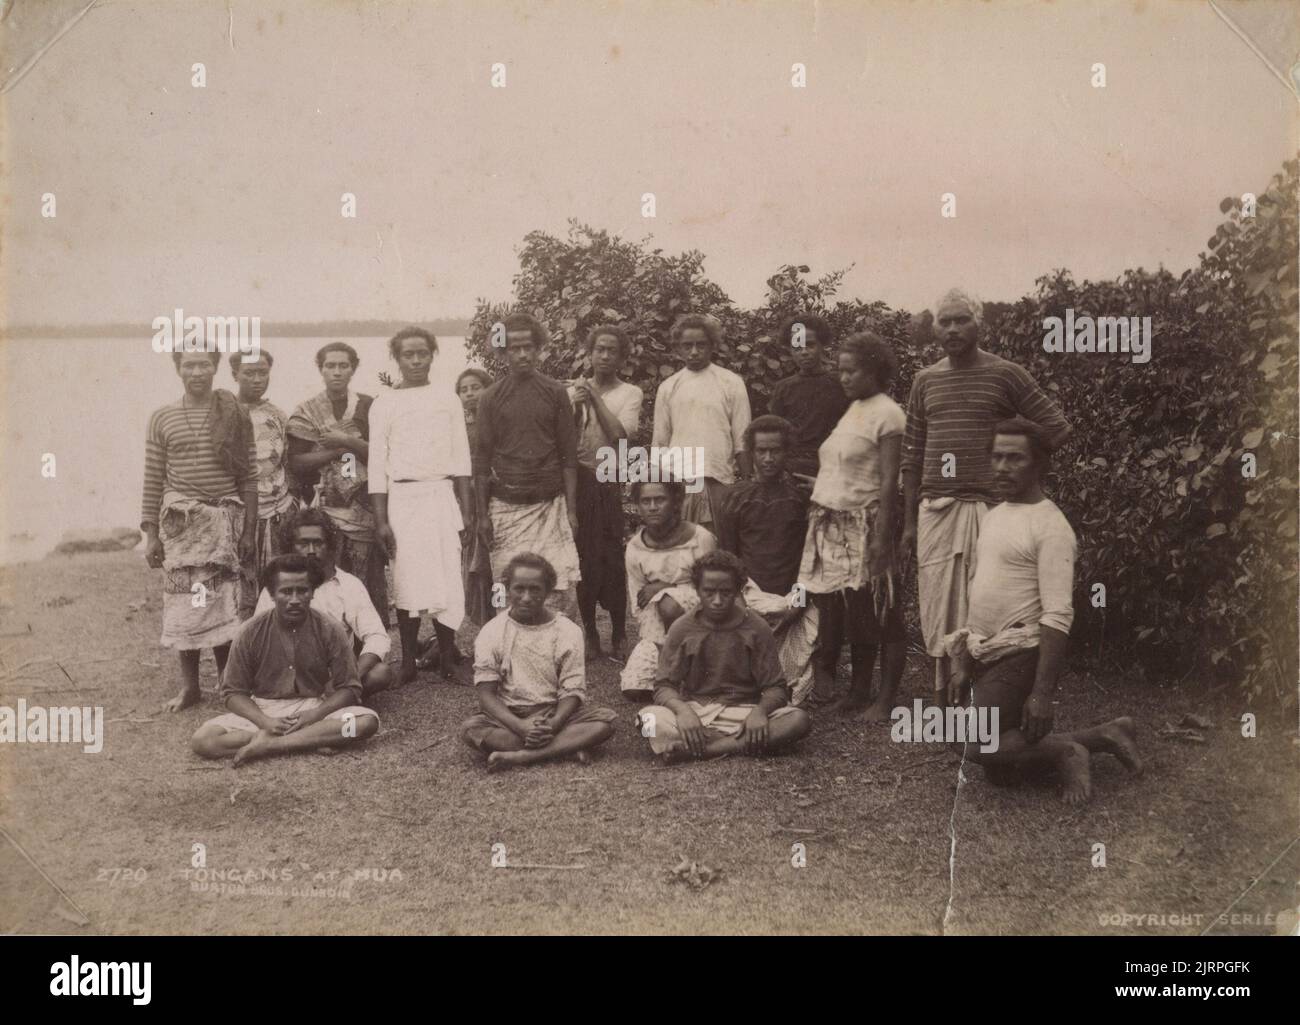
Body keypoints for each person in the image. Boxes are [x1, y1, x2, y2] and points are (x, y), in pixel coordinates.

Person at [946, 419, 1141, 804]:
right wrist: (966, 657)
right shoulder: (995, 514)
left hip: (1023, 652)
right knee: (1001, 773)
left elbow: (1057, 615)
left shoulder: (1051, 527)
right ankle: (1104, 734)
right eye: (997, 457)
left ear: (1040, 464)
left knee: (963, 738)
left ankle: (1066, 752)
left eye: (1015, 458)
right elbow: (980, 589)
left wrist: (1042, 692)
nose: (1003, 467)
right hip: (990, 651)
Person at [901, 289, 1071, 705]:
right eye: (946, 321)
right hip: (936, 509)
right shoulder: (925, 380)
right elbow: (911, 454)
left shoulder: (1005, 374)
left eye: (963, 320)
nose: (953, 329)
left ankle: (987, 696)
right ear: (934, 328)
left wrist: (1017, 469)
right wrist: (907, 523)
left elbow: (1056, 426)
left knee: (984, 604)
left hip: (991, 509)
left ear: (980, 325)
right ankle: (942, 697)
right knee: (940, 603)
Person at [142, 348, 257, 712]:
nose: (197, 372)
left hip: (223, 520)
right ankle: (190, 687)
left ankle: (227, 682)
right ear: (178, 369)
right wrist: (151, 533)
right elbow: (153, 477)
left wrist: (249, 530)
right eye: (189, 365)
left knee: (221, 601)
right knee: (185, 603)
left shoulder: (235, 413)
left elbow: (249, 475)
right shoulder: (162, 418)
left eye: (204, 364)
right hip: (180, 525)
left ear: (215, 368)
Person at [799, 333, 908, 718]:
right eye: (841, 370)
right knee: (856, 613)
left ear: (875, 371)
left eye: (852, 371)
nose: (843, 378)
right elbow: (847, 469)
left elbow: (888, 481)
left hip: (866, 524)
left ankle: (885, 698)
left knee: (884, 609)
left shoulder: (888, 414)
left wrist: (882, 541)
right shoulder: (855, 408)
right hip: (834, 522)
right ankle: (859, 692)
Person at [191, 554, 379, 764]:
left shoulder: (330, 628)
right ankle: (309, 739)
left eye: (302, 591)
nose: (295, 600)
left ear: (312, 592)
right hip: (264, 710)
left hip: (314, 709)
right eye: (286, 592)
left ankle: (270, 745)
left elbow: (350, 688)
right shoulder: (250, 631)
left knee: (364, 722)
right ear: (271, 594)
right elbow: (232, 693)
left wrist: (315, 714)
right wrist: (265, 722)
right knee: (203, 740)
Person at [369, 329, 473, 684]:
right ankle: (408, 661)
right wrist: (381, 520)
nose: (415, 361)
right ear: (396, 359)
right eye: (407, 355)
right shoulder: (384, 403)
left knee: (447, 579)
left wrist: (468, 512)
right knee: (406, 578)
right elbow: (376, 466)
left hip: (441, 497)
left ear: (432, 355)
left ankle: (447, 658)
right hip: (402, 501)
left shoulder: (447, 398)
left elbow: (461, 459)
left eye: (422, 354)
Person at [637, 550, 811, 762]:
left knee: (799, 720)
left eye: (726, 592)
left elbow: (776, 687)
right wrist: (683, 711)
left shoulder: (756, 627)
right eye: (709, 592)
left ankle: (706, 748)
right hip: (696, 712)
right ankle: (744, 743)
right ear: (697, 590)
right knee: (646, 720)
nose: (717, 601)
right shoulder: (681, 628)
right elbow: (663, 685)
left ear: (739, 590)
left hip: (743, 712)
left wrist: (760, 712)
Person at [462, 553, 616, 771]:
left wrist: (553, 724)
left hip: (556, 714)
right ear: (507, 589)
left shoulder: (567, 631)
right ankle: (566, 747)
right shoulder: (492, 632)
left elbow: (573, 688)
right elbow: (486, 694)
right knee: (471, 729)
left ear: (548, 591)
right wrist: (521, 726)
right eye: (519, 589)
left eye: (535, 589)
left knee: (606, 721)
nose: (526, 597)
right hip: (511, 716)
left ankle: (521, 757)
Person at [473, 313, 582, 616]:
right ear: (503, 352)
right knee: (506, 584)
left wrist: (571, 511)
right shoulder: (490, 397)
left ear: (538, 349)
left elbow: (568, 455)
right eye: (514, 348)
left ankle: (559, 648)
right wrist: (483, 516)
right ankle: (506, 651)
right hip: (506, 508)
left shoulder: (556, 392)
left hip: (550, 505)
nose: (522, 354)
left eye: (528, 347)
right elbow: (481, 459)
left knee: (559, 583)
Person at [715, 415, 820, 705]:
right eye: (761, 451)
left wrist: (797, 602)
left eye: (775, 450)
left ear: (787, 452)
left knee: (789, 686)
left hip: (793, 599)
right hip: (749, 599)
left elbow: (810, 558)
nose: (769, 458)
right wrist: (739, 602)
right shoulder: (736, 498)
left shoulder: (801, 498)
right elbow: (727, 558)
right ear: (751, 453)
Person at [287, 342, 389, 629]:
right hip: (326, 509)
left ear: (353, 368)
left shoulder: (369, 406)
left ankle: (371, 644)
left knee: (368, 580)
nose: (336, 372)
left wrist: (345, 441)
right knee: (330, 579)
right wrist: (335, 452)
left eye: (343, 365)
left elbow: (383, 453)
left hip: (365, 511)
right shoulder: (307, 410)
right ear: (320, 369)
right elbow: (295, 461)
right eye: (330, 365)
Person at [253, 507, 393, 698]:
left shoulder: (348, 584)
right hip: (288, 673)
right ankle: (327, 702)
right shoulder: (276, 586)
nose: (311, 551)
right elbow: (258, 639)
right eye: (303, 543)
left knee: (380, 673)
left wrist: (349, 676)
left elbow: (377, 637)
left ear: (330, 546)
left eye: (318, 543)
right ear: (291, 547)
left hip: (333, 673)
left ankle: (333, 698)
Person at [568, 323, 643, 659]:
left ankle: (618, 632)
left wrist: (595, 397)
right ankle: (590, 633)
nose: (604, 356)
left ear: (622, 357)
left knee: (611, 557)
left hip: (608, 479)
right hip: (579, 481)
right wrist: (574, 403)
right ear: (590, 352)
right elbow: (565, 440)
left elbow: (620, 437)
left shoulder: (630, 393)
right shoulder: (574, 391)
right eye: (599, 349)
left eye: (612, 350)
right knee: (582, 558)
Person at [651, 313, 752, 531]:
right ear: (678, 348)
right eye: (688, 346)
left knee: (717, 547)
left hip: (718, 480)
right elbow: (660, 442)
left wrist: (746, 485)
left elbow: (742, 440)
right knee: (681, 547)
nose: (694, 352)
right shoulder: (669, 386)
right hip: (679, 482)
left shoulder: (731, 382)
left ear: (713, 345)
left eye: (701, 345)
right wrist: (657, 489)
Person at [619, 480, 717, 701]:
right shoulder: (635, 547)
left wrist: (668, 587)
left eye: (660, 499)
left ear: (675, 502)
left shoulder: (700, 538)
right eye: (646, 501)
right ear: (638, 506)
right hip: (657, 627)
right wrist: (656, 644)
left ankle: (692, 668)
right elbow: (639, 602)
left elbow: (715, 588)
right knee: (635, 689)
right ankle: (672, 673)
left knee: (668, 602)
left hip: (701, 618)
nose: (653, 507)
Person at [229, 348, 298, 615]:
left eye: (263, 373)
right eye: (249, 373)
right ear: (235, 375)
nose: (257, 379)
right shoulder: (225, 414)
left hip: (278, 513)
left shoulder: (278, 416)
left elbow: (287, 463)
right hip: (239, 515)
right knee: (242, 590)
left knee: (278, 586)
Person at [768, 313, 849, 479]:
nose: (804, 352)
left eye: (810, 345)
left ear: (822, 345)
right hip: (793, 471)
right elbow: (776, 435)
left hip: (834, 468)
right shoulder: (783, 388)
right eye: (797, 347)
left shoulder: (841, 383)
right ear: (790, 351)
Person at [455, 368, 496, 627]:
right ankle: (484, 622)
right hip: (467, 502)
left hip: (496, 500)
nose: (470, 393)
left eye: (475, 387)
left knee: (495, 563)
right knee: (476, 568)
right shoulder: (456, 425)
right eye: (464, 389)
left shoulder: (498, 421)